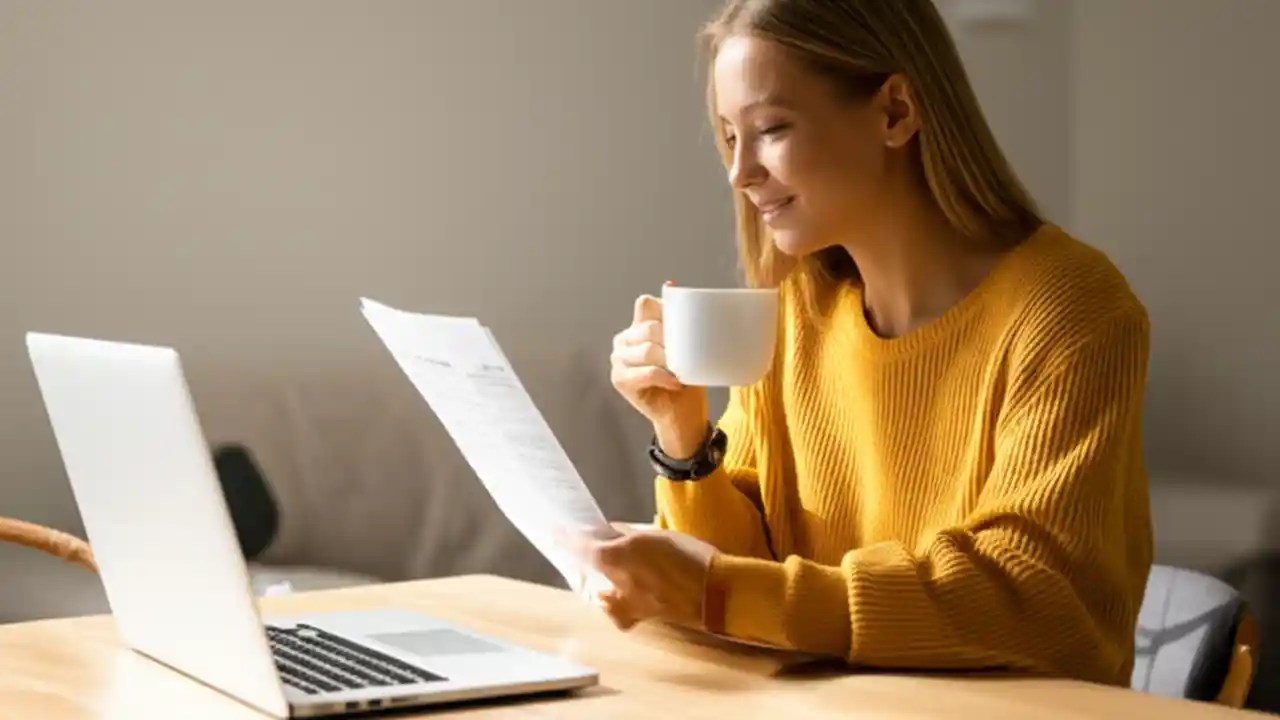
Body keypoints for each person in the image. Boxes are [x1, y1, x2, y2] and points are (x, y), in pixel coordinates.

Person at [582, 0, 1153, 688]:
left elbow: (1030, 597)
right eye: (730, 138)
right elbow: (749, 592)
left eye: (771, 129)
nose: (740, 174)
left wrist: (718, 591)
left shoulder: (1070, 307)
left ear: (895, 112)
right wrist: (682, 437)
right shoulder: (799, 309)